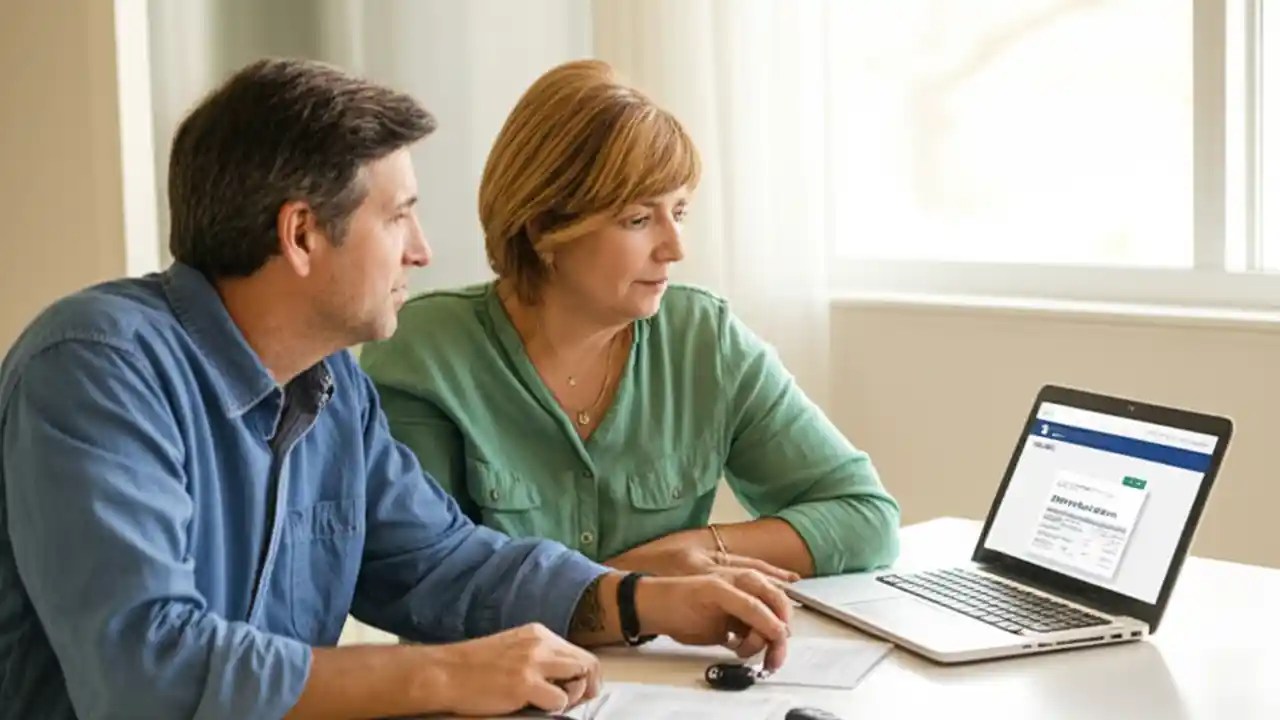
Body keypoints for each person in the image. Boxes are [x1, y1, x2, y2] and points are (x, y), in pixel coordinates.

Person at [0, 58, 794, 720]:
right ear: (302, 234)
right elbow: (147, 667)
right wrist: (449, 674)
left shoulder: (331, 382)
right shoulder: (96, 369)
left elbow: (442, 564)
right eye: (399, 218)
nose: (422, 251)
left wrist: (640, 603)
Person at [359, 59, 900, 585]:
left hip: (676, 671)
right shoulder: (426, 352)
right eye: (639, 219)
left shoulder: (703, 338)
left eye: (679, 212)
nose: (674, 248)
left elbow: (865, 517)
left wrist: (693, 549)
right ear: (545, 227)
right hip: (498, 676)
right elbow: (426, 576)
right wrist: (622, 588)